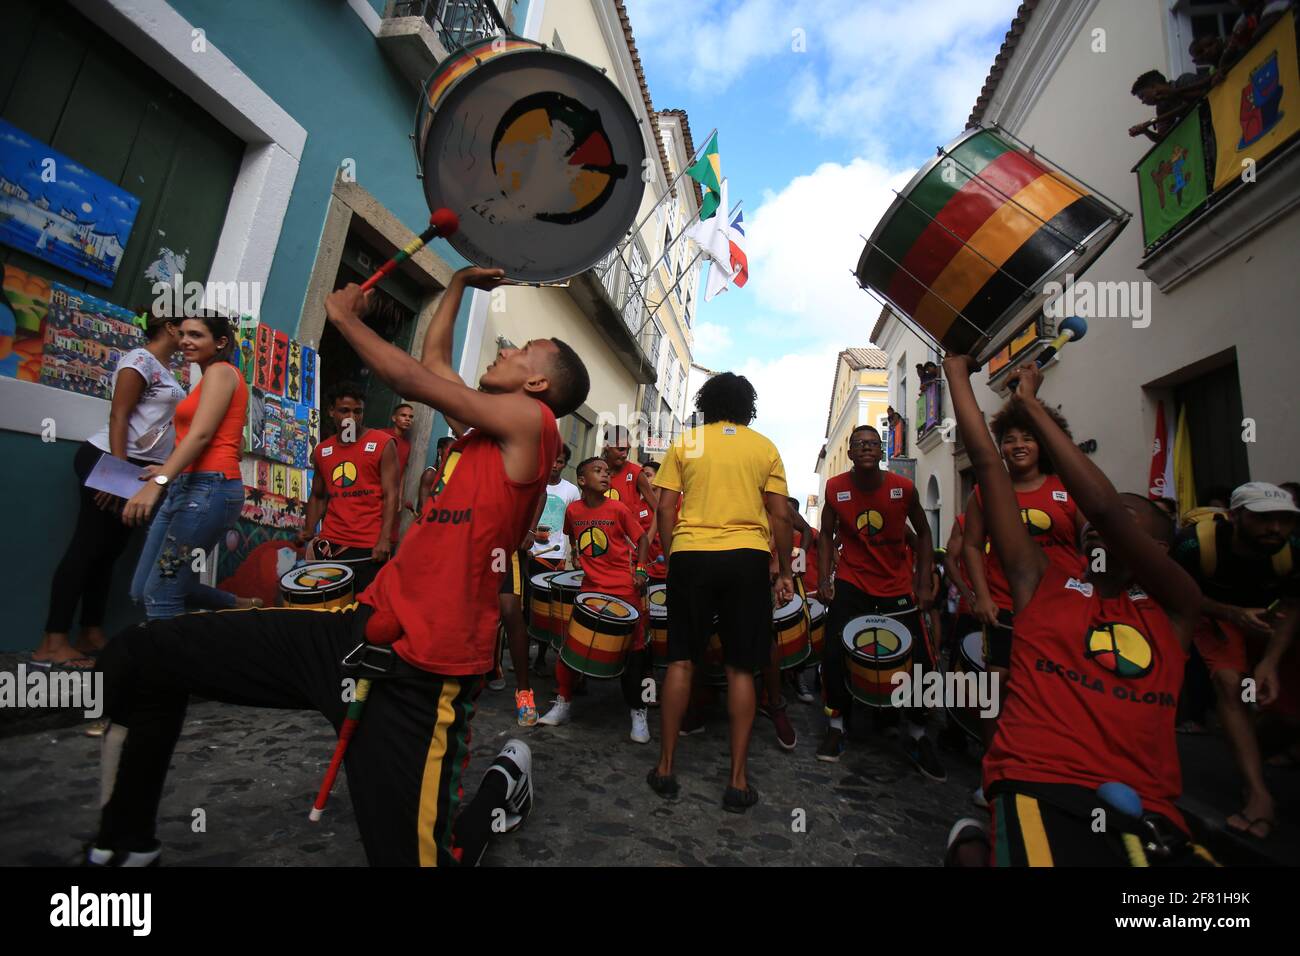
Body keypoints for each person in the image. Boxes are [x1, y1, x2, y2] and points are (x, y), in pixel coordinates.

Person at [88, 267, 591, 867]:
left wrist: (345, 317)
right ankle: (124, 849)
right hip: (355, 632)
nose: (507, 348)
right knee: (145, 656)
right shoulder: (485, 430)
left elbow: (405, 375)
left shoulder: (535, 426)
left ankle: (501, 786)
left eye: (522, 349)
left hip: (422, 674)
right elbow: (431, 361)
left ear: (537, 382)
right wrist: (457, 285)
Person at [944, 356, 1214, 867]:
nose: (1099, 522)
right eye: (1093, 520)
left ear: (1158, 550)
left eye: (1133, 524)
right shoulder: (1040, 584)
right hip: (1039, 783)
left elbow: (1109, 508)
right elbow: (984, 462)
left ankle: (970, 853)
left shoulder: (1175, 608)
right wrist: (957, 373)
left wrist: (1031, 405)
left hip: (1149, 804)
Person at [647, 372, 793, 813]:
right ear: (747, 407)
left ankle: (666, 769)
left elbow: (666, 507)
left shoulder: (687, 443)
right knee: (741, 669)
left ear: (706, 404)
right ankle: (737, 781)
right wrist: (784, 569)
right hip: (747, 560)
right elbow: (781, 516)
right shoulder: (764, 447)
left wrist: (675, 555)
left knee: (681, 660)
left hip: (692, 556)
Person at [35, 307, 184, 669]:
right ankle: (52, 642)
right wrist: (116, 474)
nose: (191, 336)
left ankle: (90, 631)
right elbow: (119, 414)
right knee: (86, 546)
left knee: (109, 551)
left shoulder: (169, 371)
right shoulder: (140, 360)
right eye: (187, 329)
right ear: (169, 327)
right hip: (108, 459)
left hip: (132, 468)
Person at [1172, 481, 1300, 839]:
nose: (1275, 529)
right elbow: (1177, 593)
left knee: (1284, 713)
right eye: (1263, 519)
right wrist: (1231, 612)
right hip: (1214, 617)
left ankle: (1256, 747)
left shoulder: (1293, 548)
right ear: (1234, 517)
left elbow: (1292, 605)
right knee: (1232, 687)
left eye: (1284, 520)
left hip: (1272, 621)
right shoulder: (1194, 544)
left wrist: (1270, 662)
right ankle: (1257, 793)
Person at [962, 400, 1086, 749]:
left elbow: (1090, 543)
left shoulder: (1068, 488)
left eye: (1027, 437)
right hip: (1003, 605)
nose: (1018, 445)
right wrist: (981, 596)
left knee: (1053, 684)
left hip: (1061, 607)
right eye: (1009, 438)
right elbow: (971, 546)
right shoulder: (985, 492)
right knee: (996, 683)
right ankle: (993, 762)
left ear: (1043, 443)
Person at [815, 425, 937, 775]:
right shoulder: (836, 488)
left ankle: (917, 734)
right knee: (835, 652)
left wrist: (923, 580)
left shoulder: (904, 488)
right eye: (859, 445)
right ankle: (836, 728)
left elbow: (924, 534)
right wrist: (825, 578)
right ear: (850, 453)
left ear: (881, 451)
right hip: (853, 583)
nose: (866, 448)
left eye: (872, 443)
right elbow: (825, 534)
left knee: (920, 661)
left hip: (897, 586)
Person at [122, 311, 252, 621]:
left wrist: (158, 482)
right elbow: (234, 441)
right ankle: (240, 605)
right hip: (188, 487)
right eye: (183, 334)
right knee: (143, 589)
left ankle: (168, 669)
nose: (185, 341)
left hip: (208, 491)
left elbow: (202, 434)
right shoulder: (208, 379)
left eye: (196, 335)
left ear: (220, 342)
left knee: (161, 594)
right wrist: (166, 471)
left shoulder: (221, 372)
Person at [537, 457, 651, 741]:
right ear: (582, 480)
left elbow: (643, 540)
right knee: (570, 646)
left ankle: (638, 712)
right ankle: (564, 703)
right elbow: (571, 537)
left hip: (624, 590)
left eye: (607, 472)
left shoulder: (619, 509)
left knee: (634, 653)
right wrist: (575, 555)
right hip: (589, 589)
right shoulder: (573, 511)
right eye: (597, 471)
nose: (605, 476)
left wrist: (639, 570)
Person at [298, 383, 399, 593]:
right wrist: (308, 529)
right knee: (325, 607)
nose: (351, 417)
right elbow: (318, 496)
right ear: (331, 412)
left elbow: (391, 495)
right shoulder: (322, 450)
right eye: (344, 411)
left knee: (360, 610)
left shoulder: (382, 443)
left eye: (357, 411)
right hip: (330, 545)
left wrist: (384, 540)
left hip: (368, 547)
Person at [528, 445, 580, 677]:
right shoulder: (531, 484)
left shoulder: (571, 491)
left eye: (559, 462)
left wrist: (573, 553)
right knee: (524, 607)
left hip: (554, 557)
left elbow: (574, 526)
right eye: (552, 460)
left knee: (548, 609)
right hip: (528, 552)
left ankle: (540, 657)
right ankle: (524, 653)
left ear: (564, 464)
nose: (555, 466)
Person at [380, 402, 415, 547]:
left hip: (392, 497)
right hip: (376, 493)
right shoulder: (382, 435)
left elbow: (402, 473)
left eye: (411, 417)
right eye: (403, 415)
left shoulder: (407, 445)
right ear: (394, 418)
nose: (408, 419)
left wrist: (400, 498)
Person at [417, 435, 455, 516]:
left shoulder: (451, 475)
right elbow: (422, 509)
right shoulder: (430, 474)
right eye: (450, 452)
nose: (452, 456)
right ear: (440, 451)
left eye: (454, 453)